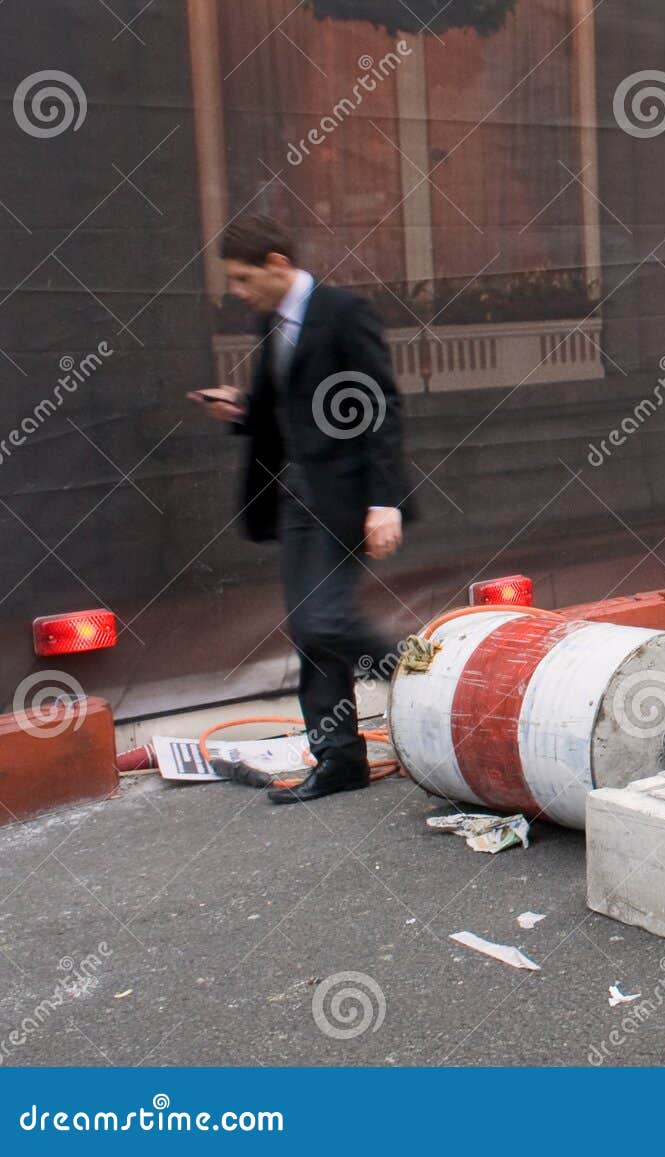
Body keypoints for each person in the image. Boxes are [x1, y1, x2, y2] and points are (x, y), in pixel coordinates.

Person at [192, 215, 409, 803]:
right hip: (292, 497)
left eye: (242, 278)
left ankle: (420, 677)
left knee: (323, 619)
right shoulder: (272, 323)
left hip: (346, 495)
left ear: (277, 264)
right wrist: (240, 408)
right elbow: (278, 406)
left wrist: (384, 500)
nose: (237, 291)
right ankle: (337, 757)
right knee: (308, 633)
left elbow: (380, 404)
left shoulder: (343, 312)